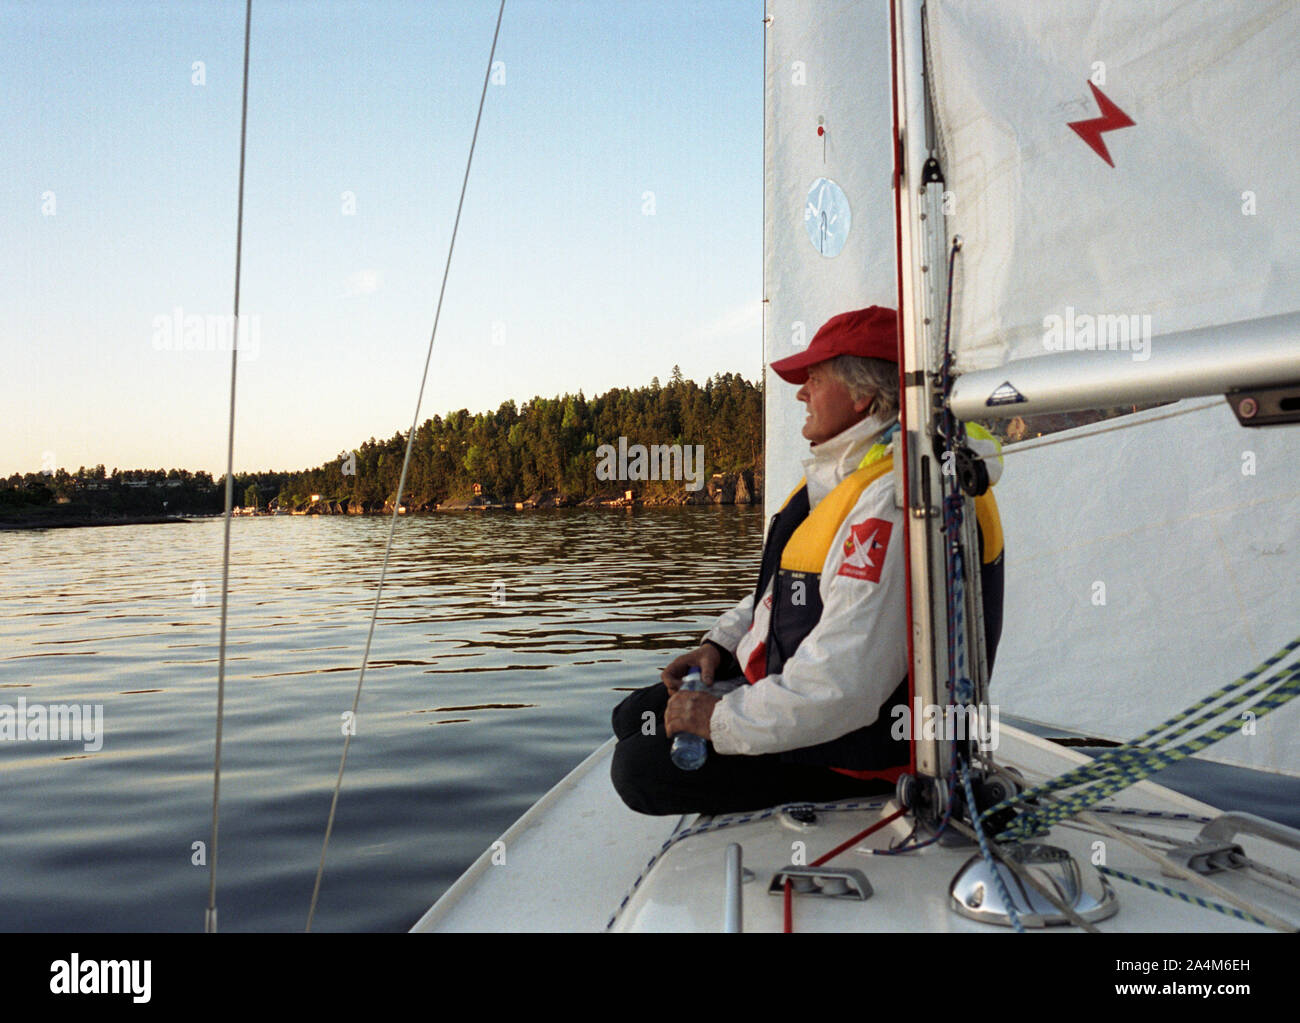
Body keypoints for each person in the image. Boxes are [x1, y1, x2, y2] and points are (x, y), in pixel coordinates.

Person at [610, 306, 1004, 816]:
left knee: (639, 769)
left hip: (865, 747)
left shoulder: (895, 499)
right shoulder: (845, 474)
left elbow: (845, 685)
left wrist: (720, 721)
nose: (801, 393)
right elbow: (781, 594)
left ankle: (866, 791)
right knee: (634, 715)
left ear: (863, 395)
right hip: (813, 706)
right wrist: (720, 647)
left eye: (814, 380)